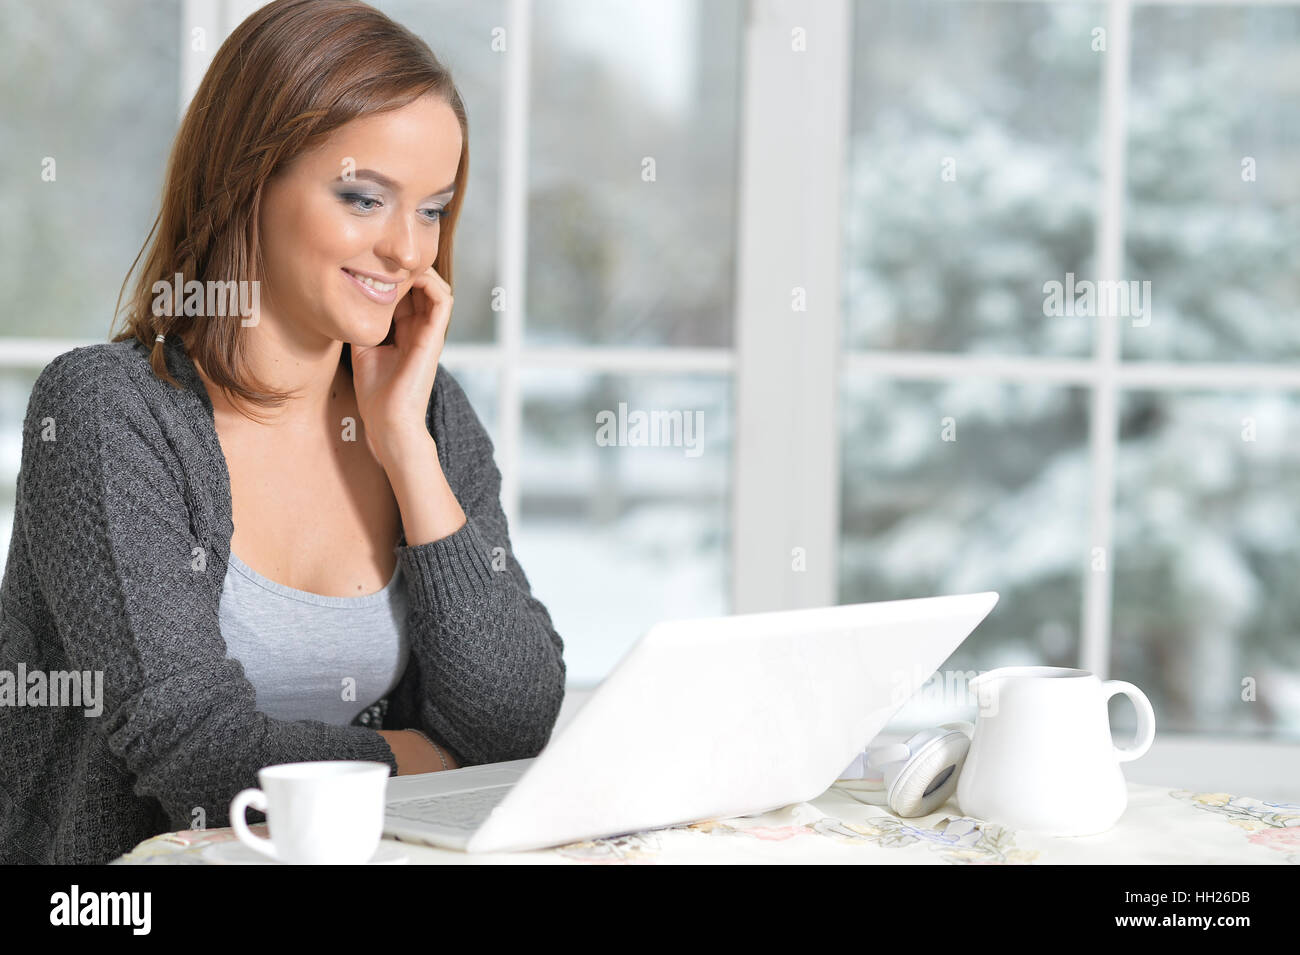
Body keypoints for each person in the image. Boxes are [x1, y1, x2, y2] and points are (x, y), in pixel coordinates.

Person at [0, 0, 565, 865]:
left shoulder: (430, 409)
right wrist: (421, 761)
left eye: (432, 209)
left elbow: (513, 718)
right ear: (248, 179)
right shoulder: (106, 412)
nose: (407, 251)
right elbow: (200, 754)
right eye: (364, 197)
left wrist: (406, 446)